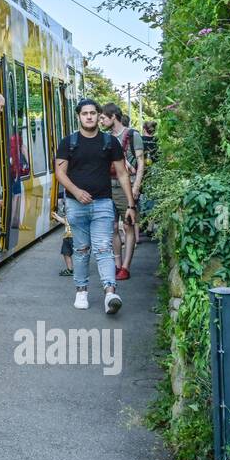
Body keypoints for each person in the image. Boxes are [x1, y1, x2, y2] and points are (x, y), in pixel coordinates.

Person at [55, 99, 136, 314]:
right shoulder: (68, 142)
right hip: (75, 205)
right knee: (81, 250)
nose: (89, 117)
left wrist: (130, 204)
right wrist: (76, 191)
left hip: (102, 204)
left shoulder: (110, 142)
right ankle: (81, 291)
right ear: (78, 116)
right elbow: (60, 173)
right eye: (85, 113)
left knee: (103, 248)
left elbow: (122, 174)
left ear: (99, 116)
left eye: (93, 113)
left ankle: (110, 293)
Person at [99, 103, 144, 281]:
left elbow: (140, 163)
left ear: (113, 117)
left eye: (103, 117)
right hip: (108, 185)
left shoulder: (133, 135)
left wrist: (136, 187)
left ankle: (126, 266)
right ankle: (117, 265)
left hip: (126, 185)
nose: (100, 120)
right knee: (112, 227)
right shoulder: (105, 138)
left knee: (127, 225)